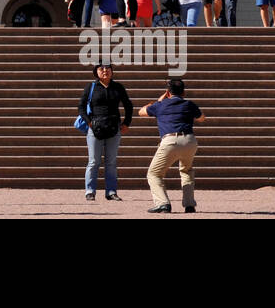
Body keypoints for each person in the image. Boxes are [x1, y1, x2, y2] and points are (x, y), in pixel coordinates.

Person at [139, 78, 206, 214]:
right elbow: (202, 118)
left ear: (168, 93)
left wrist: (160, 100)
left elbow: (141, 111)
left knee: (154, 174)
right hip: (189, 141)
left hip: (170, 141)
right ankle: (189, 205)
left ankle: (163, 203)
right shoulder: (189, 104)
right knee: (186, 171)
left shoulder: (160, 105)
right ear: (184, 93)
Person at [80, 63, 133, 201]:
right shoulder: (91, 87)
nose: (105, 71)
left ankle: (111, 191)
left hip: (113, 129)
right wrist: (89, 122)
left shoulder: (118, 87)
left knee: (111, 162)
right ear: (96, 72)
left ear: (112, 71)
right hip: (95, 129)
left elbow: (128, 104)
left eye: (108, 68)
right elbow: (81, 107)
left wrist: (126, 122)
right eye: (101, 68)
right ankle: (90, 191)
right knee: (93, 161)